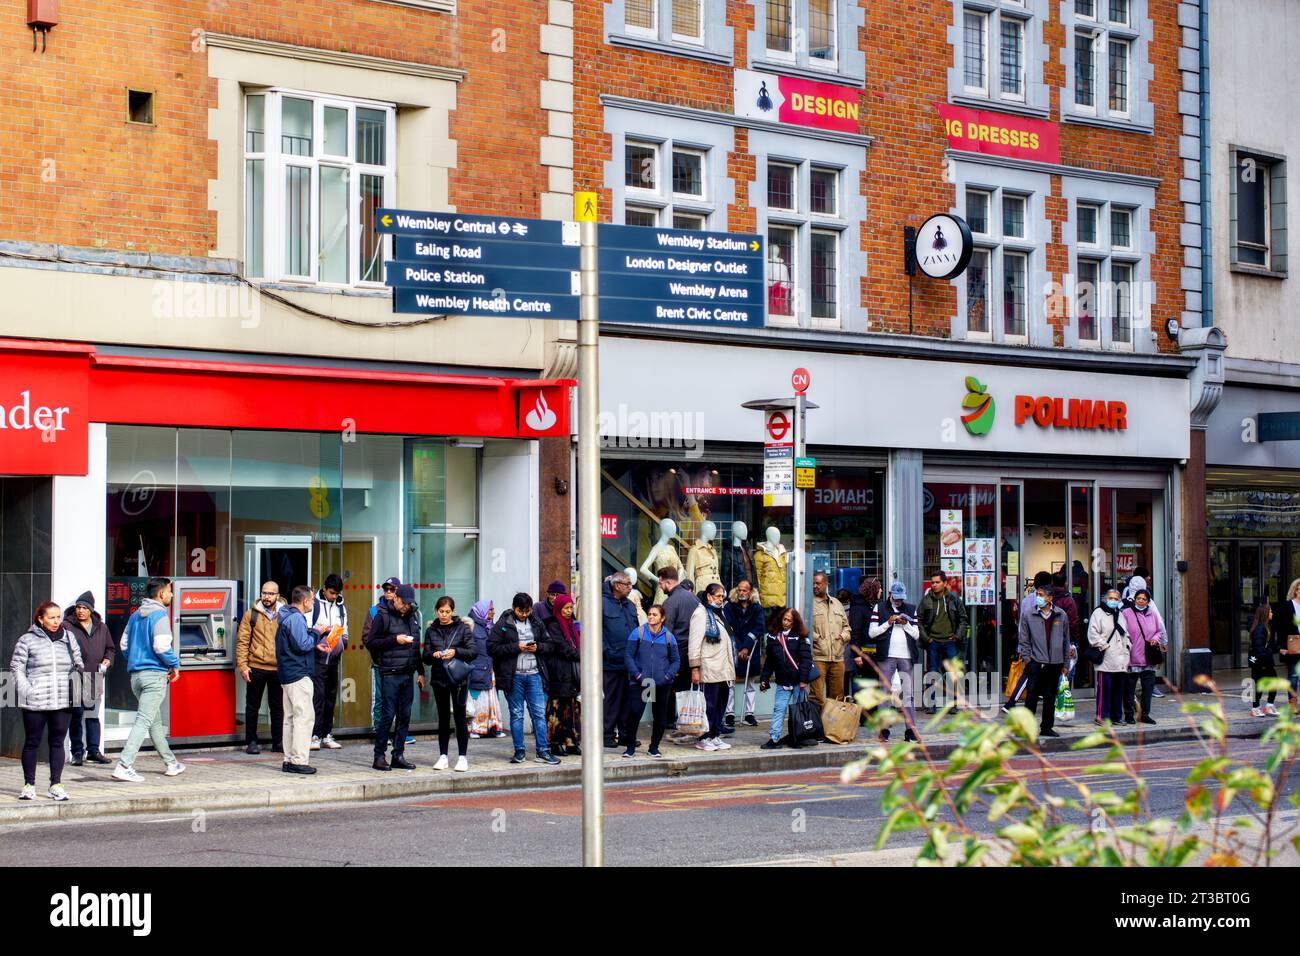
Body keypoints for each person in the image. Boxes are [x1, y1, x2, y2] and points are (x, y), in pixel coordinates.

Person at [113, 577, 186, 782]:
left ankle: (171, 763)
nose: (172, 595)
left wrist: (136, 660)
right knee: (144, 720)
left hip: (136, 676)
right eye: (170, 591)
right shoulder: (160, 615)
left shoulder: (135, 615)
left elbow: (124, 644)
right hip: (154, 676)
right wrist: (175, 663)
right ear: (161, 594)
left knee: (154, 721)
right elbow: (162, 646)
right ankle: (124, 765)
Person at [11, 602, 83, 800]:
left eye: (58, 617)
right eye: (51, 617)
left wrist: (74, 681)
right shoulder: (27, 640)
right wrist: (28, 690)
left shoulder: (69, 637)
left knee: (57, 742)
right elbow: (16, 667)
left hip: (62, 699)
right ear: (40, 619)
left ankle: (56, 785)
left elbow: (79, 662)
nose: (56, 621)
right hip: (36, 700)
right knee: (32, 742)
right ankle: (29, 784)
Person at [488, 593, 561, 765]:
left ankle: (543, 751)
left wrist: (538, 647)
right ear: (514, 608)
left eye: (527, 611)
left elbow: (550, 645)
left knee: (539, 714)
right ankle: (519, 751)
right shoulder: (504, 623)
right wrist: (516, 647)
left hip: (535, 674)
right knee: (517, 714)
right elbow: (491, 647)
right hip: (514, 676)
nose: (524, 614)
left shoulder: (536, 622)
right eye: (521, 611)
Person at [365, 583, 425, 771]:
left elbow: (415, 647)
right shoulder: (383, 615)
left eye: (409, 604)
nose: (406, 607)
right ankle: (379, 756)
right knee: (387, 715)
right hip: (390, 672)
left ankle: (398, 754)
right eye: (404, 603)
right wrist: (394, 640)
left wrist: (421, 671)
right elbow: (370, 642)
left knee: (405, 716)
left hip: (408, 672)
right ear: (396, 598)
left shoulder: (412, 617)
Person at [422, 595, 476, 771]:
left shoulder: (462, 628)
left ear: (453, 611)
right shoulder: (431, 630)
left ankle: (462, 757)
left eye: (447, 611)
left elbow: (472, 651)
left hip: (459, 679)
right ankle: (443, 756)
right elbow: (425, 656)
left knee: (460, 717)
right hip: (439, 678)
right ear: (436, 611)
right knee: (443, 718)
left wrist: (455, 652)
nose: (444, 615)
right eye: (441, 611)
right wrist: (434, 655)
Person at [622, 604, 680, 758]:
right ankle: (630, 747)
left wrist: (667, 677)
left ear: (662, 618)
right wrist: (637, 675)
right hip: (643, 682)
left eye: (654, 615)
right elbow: (628, 656)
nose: (650, 617)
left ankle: (654, 747)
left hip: (661, 683)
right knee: (635, 713)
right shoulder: (638, 633)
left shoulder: (669, 637)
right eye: (649, 614)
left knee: (660, 716)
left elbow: (675, 661)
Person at [64, 591, 114, 766]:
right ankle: (77, 752)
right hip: (75, 677)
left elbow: (110, 648)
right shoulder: (67, 626)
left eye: (84, 608)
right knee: (76, 716)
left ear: (91, 610)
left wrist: (108, 660)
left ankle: (94, 750)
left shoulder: (102, 627)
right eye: (78, 607)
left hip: (96, 676)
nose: (80, 611)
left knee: (93, 716)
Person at [1016, 584, 1073, 739]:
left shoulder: (1061, 615)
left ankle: (1047, 727)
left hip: (1055, 662)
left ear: (1050, 598)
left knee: (1050, 697)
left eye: (1041, 595)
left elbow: (1066, 641)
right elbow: (1024, 640)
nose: (1038, 597)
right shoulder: (1029, 614)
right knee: (1031, 697)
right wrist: (1028, 660)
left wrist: (1066, 663)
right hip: (1035, 661)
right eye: (1037, 594)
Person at [236, 581, 284, 755]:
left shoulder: (285, 614)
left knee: (277, 708)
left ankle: (278, 742)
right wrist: (243, 666)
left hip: (278, 668)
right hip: (256, 666)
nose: (266, 596)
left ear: (277, 595)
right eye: (264, 593)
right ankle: (251, 742)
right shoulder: (251, 615)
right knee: (252, 706)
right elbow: (242, 642)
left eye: (270, 593)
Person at [869, 582, 921, 741]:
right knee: (884, 694)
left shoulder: (911, 609)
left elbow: (917, 635)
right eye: (896, 598)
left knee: (908, 694)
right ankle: (883, 730)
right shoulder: (879, 608)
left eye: (901, 599)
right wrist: (888, 623)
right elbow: (872, 633)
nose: (898, 601)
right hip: (886, 655)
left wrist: (906, 625)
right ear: (890, 594)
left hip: (906, 655)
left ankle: (910, 731)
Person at [687, 582, 736, 751]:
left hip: (723, 668)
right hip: (709, 668)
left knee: (721, 703)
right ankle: (703, 737)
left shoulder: (718, 613)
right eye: (718, 596)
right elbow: (694, 643)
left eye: (723, 596)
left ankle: (714, 735)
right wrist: (695, 668)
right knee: (709, 705)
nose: (721, 599)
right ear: (708, 596)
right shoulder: (701, 614)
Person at [276, 585, 319, 774]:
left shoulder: (286, 616)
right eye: (312, 600)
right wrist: (317, 632)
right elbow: (302, 645)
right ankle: (299, 760)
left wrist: (314, 641)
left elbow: (298, 643)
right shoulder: (296, 618)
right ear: (305, 601)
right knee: (304, 718)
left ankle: (288, 759)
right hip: (298, 673)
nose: (314, 603)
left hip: (287, 674)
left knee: (290, 719)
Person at [759, 607, 813, 749]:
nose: (786, 622)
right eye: (784, 619)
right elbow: (769, 661)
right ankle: (774, 739)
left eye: (789, 620)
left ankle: (797, 738)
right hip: (782, 682)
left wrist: (803, 680)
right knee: (779, 710)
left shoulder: (801, 636)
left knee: (798, 712)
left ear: (794, 622)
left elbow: (807, 660)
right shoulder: (773, 636)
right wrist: (764, 679)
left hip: (798, 683)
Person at [917, 571, 969, 713]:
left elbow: (963, 618)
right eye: (932, 582)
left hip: (950, 641)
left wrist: (957, 636)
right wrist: (927, 638)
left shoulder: (953, 599)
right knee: (932, 672)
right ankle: (931, 704)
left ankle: (953, 704)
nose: (934, 585)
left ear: (945, 583)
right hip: (933, 642)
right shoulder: (926, 600)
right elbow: (919, 620)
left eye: (937, 582)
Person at [659, 565, 700, 741]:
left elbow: (666, 633)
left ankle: (668, 722)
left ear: (668, 582)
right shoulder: (693, 598)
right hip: (692, 652)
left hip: (676, 652)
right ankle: (683, 724)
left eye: (661, 583)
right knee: (684, 690)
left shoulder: (669, 602)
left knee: (668, 689)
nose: (660, 586)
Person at [309, 573, 348, 751]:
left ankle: (326, 734)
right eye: (332, 593)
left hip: (333, 657)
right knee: (318, 696)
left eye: (337, 593)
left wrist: (341, 642)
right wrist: (323, 633)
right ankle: (315, 734)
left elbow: (345, 630)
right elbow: (308, 628)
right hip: (317, 658)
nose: (334, 596)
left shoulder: (341, 607)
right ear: (324, 589)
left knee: (331, 697)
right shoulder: (314, 604)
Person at [601, 571, 639, 748]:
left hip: (630, 662)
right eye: (628, 584)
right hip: (610, 661)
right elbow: (595, 632)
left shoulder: (630, 605)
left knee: (628, 701)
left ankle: (624, 734)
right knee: (611, 700)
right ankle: (606, 734)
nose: (631, 587)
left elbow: (636, 629)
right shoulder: (600, 602)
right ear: (617, 586)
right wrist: (606, 651)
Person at [363, 577, 405, 741]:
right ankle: (380, 731)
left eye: (392, 589)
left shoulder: (403, 610)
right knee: (380, 698)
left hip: (399, 662)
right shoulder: (374, 611)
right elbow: (367, 639)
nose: (388, 592)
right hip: (380, 662)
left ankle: (399, 732)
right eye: (386, 589)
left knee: (399, 699)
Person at [1121, 586, 1167, 725]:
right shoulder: (1126, 613)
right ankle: (1129, 715)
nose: (1141, 601)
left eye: (1144, 599)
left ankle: (1145, 715)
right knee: (1129, 690)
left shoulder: (1152, 614)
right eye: (1139, 598)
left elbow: (1159, 631)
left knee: (1147, 690)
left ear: (1148, 601)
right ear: (1134, 599)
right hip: (1133, 657)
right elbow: (1122, 632)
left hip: (1149, 658)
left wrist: (1156, 638)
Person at [543, 593, 582, 756]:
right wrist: (580, 655)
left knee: (572, 709)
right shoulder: (553, 625)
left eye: (571, 607)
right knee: (557, 709)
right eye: (566, 608)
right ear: (558, 608)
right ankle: (555, 742)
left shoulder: (571, 624)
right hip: (558, 672)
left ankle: (571, 742)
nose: (569, 610)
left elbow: (575, 644)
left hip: (571, 674)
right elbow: (561, 647)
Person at [723, 579, 764, 728]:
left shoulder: (756, 608)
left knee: (750, 683)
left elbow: (759, 628)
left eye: (745, 590)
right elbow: (728, 628)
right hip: (734, 648)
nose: (741, 593)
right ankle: (729, 714)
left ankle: (749, 713)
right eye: (739, 590)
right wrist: (739, 647)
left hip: (751, 649)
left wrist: (746, 646)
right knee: (730, 682)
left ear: (750, 591)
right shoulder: (729, 607)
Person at [1087, 589, 1130, 725]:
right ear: (1105, 599)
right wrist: (1104, 646)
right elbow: (1093, 634)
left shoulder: (1120, 614)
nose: (1113, 600)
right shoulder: (1098, 613)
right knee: (1105, 690)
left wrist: (1128, 646)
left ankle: (1116, 716)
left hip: (1121, 659)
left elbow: (1125, 633)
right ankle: (1101, 716)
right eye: (1111, 598)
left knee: (1118, 691)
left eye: (1116, 598)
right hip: (1106, 658)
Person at [809, 571, 851, 708]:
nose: (815, 586)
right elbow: (803, 627)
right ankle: (817, 728)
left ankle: (833, 728)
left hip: (838, 658)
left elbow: (847, 627)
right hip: (818, 657)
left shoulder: (837, 603)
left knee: (838, 697)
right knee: (816, 696)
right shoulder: (809, 604)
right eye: (813, 583)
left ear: (826, 584)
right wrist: (818, 638)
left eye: (818, 583)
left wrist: (842, 636)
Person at [466, 600, 506, 738]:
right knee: (478, 701)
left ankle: (493, 728)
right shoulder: (471, 627)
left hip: (489, 669)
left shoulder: (491, 627)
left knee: (491, 700)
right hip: (477, 668)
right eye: (490, 610)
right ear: (482, 611)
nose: (493, 612)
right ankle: (475, 729)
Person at [1248, 604, 1279, 718]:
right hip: (1262, 663)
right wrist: (1267, 655)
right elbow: (1259, 646)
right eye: (1270, 612)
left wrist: (1278, 649)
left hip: (1261, 662)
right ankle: (1260, 708)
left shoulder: (1263, 626)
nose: (1272, 613)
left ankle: (1262, 707)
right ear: (1265, 614)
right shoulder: (1261, 628)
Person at [1050, 572, 1080, 644]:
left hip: (1048, 635)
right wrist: (1075, 637)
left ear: (1052, 582)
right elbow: (1073, 621)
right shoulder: (1068, 600)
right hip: (1064, 636)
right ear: (1065, 583)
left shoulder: (1047, 597)